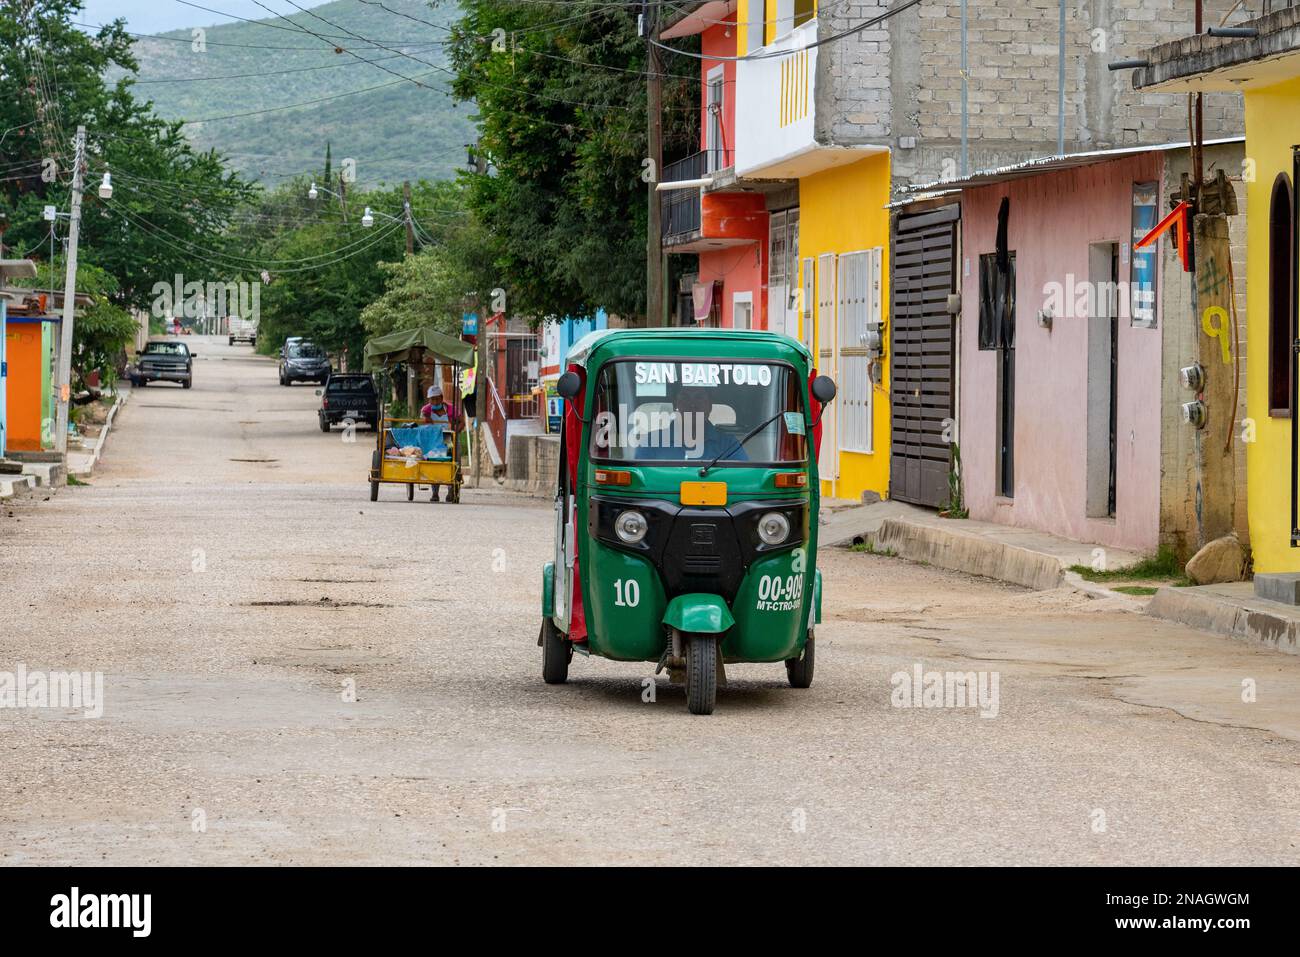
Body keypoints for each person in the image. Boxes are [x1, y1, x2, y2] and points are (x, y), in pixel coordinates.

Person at [421, 385, 460, 502]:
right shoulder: (426, 410)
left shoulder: (451, 409)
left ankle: (451, 491)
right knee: (434, 462)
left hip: (447, 437)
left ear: (441, 398)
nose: (434, 401)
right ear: (429, 400)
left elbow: (461, 422)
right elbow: (424, 423)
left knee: (450, 460)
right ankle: (435, 493)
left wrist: (455, 431)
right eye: (432, 399)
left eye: (437, 399)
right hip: (434, 438)